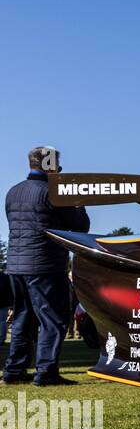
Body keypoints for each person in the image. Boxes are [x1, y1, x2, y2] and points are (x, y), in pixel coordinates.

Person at [4, 147, 89, 386]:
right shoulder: (54, 192)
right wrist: (78, 202)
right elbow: (79, 226)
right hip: (45, 264)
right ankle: (46, 371)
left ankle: (14, 370)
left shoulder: (13, 191)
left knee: (22, 318)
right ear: (51, 165)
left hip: (15, 265)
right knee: (52, 319)